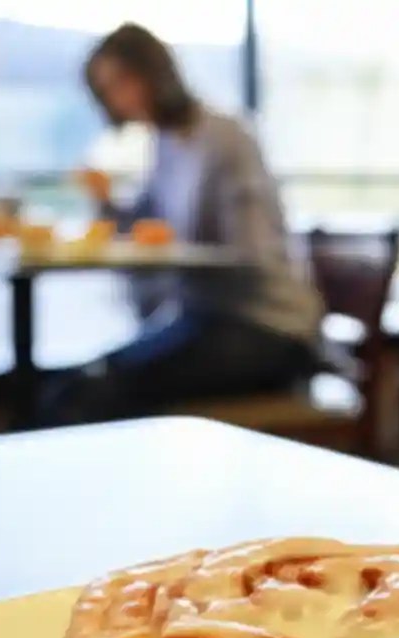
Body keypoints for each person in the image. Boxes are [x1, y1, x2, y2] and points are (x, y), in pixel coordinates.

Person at [44, 23, 323, 425]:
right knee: (73, 383)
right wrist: (104, 200)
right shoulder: (166, 143)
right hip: (202, 319)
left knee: (100, 391)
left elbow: (253, 252)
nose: (118, 100)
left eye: (122, 82)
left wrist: (174, 251)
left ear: (153, 73)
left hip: (266, 327)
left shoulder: (226, 137)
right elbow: (141, 225)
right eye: (106, 91)